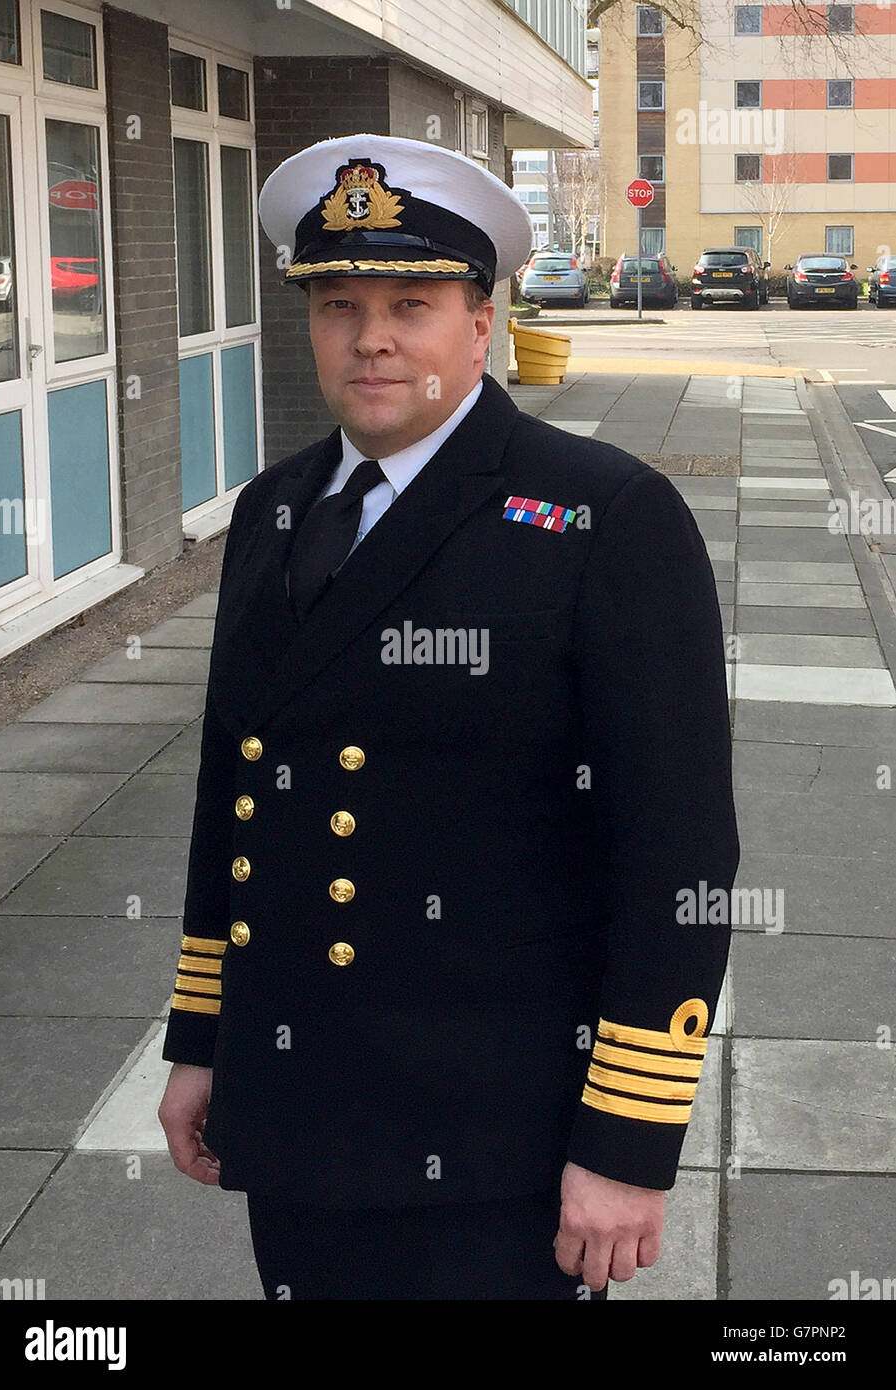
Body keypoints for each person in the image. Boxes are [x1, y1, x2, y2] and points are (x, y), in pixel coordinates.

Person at [157, 133, 739, 1301]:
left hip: (491, 1149)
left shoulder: (600, 515)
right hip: (298, 1112)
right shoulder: (275, 508)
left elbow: (679, 852)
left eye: (410, 304)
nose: (371, 337)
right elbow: (237, 790)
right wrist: (200, 1036)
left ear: (480, 323)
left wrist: (626, 1144)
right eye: (340, 305)